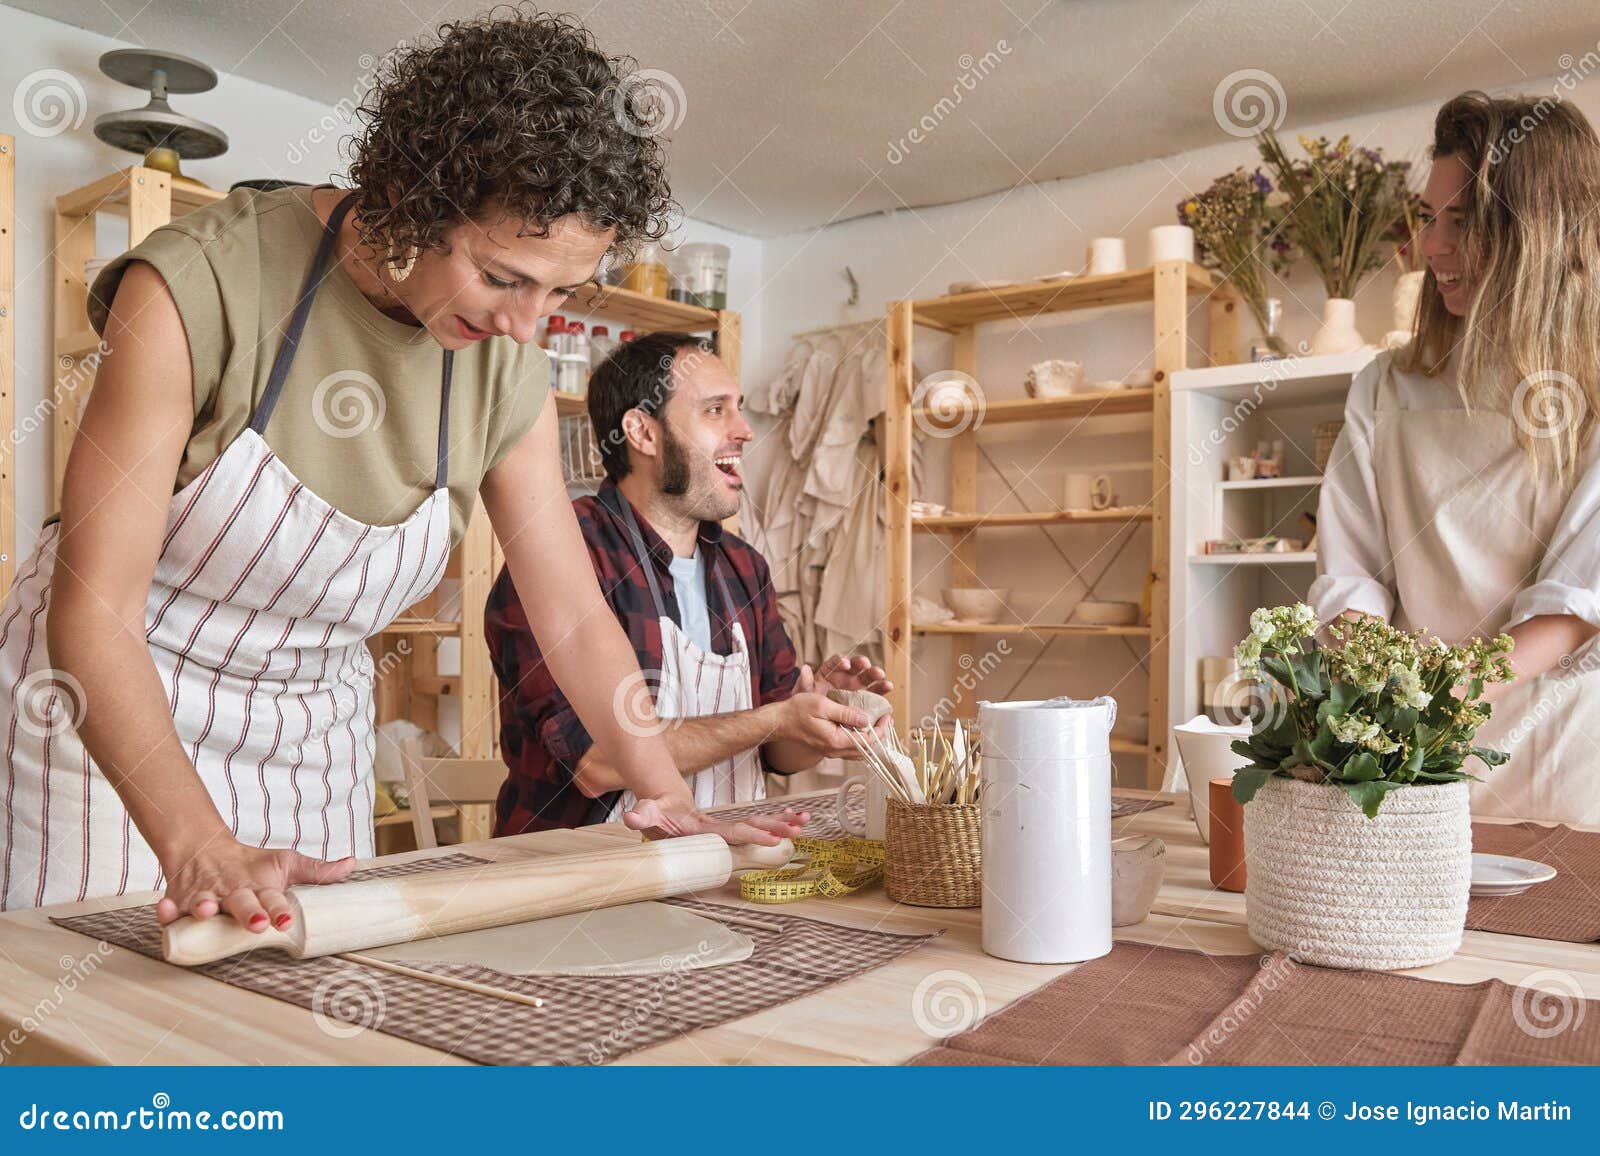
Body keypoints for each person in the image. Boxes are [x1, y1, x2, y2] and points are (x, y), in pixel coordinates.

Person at [0, 12, 804, 922]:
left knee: (301, 1042)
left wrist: (668, 795)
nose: (525, 326)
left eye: (557, 291)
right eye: (504, 278)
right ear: (415, 197)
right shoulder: (199, 287)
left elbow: (575, 616)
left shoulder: (507, 369)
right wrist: (196, 844)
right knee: (110, 1033)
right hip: (108, 726)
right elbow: (92, 611)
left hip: (309, 738)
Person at [1312, 90, 1600, 826]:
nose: (1430, 247)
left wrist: (1435, 697)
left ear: (1541, 230)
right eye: (1430, 218)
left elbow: (1572, 609)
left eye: (1463, 222)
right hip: (1419, 772)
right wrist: (1372, 691)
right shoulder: (1384, 386)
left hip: (1563, 769)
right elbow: (1351, 574)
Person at [486, 331, 892, 832]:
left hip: (725, 852)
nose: (744, 430)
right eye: (715, 410)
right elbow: (596, 765)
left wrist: (814, 720)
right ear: (643, 433)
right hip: (589, 873)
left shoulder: (743, 567)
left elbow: (777, 756)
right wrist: (773, 718)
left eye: (738, 409)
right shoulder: (565, 556)